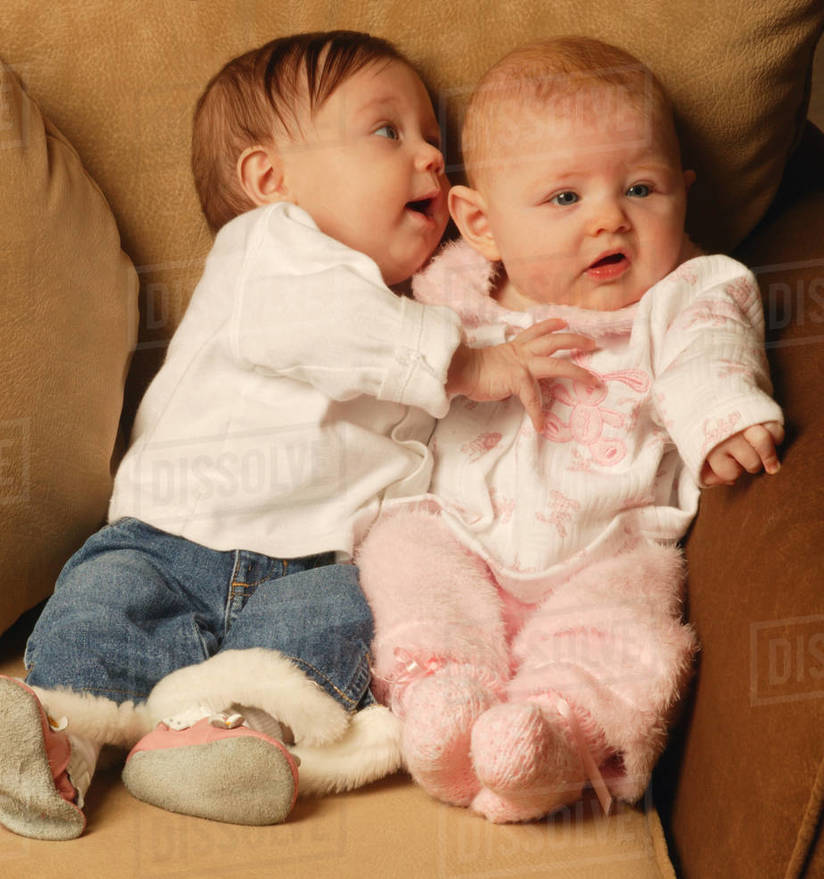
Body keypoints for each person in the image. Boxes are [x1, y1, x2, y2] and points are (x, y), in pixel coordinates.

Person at [0, 30, 596, 840]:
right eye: (388, 131)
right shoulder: (270, 252)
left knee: (336, 627)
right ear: (268, 179)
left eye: (435, 138)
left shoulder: (430, 302)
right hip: (169, 537)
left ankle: (222, 732)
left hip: (320, 564)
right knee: (102, 610)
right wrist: (465, 363)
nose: (432, 156)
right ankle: (52, 730)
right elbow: (325, 327)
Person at [356, 36, 785, 823]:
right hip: (457, 534)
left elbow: (711, 349)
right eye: (564, 199)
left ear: (684, 195)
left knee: (639, 625)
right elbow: (375, 357)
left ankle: (556, 737)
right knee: (399, 550)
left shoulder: (684, 292)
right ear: (479, 223)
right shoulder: (448, 295)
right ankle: (441, 693)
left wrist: (720, 417)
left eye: (643, 188)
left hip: (608, 547)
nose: (610, 220)